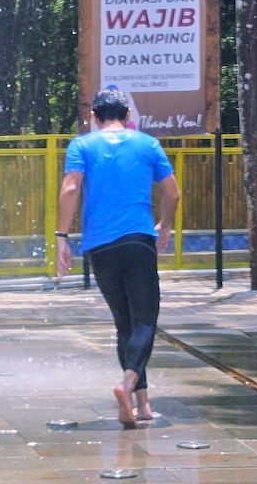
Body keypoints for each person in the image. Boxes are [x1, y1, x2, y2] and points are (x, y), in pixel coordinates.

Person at [56, 89, 179, 428]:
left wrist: (61, 238)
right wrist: (165, 227)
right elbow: (172, 192)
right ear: (126, 114)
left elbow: (70, 189)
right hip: (138, 240)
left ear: (94, 117)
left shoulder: (81, 145)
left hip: (100, 246)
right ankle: (127, 386)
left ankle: (143, 404)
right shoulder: (147, 144)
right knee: (144, 321)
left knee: (125, 323)